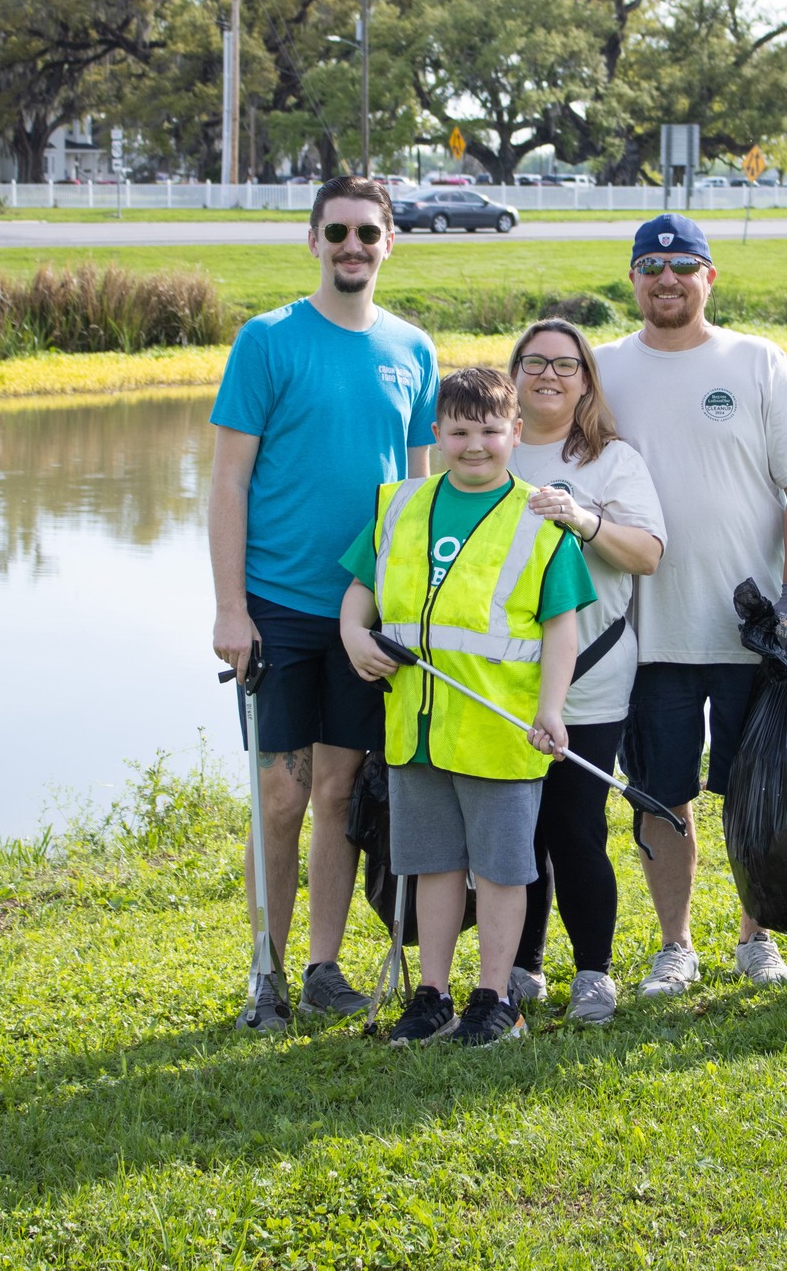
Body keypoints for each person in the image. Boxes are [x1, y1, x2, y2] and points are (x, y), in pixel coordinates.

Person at [208, 175, 439, 1031]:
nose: (353, 247)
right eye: (337, 232)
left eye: (367, 234)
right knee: (281, 796)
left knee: (340, 792)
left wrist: (409, 610)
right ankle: (263, 973)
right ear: (312, 240)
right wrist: (231, 609)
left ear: (389, 244)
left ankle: (322, 968)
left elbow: (417, 495)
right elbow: (229, 481)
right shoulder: (267, 342)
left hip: (367, 614)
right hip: (276, 609)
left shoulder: (413, 349)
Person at [593, 214, 787, 994]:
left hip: (750, 629)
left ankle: (756, 936)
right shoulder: (602, 370)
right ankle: (675, 945)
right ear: (632, 279)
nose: (667, 279)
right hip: (644, 630)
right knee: (663, 794)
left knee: (753, 792)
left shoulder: (757, 361)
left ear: (709, 277)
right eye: (651, 266)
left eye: (682, 265)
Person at [338, 366, 598, 1046]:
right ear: (438, 434)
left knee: (504, 868)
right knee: (432, 864)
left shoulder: (540, 519)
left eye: (489, 431)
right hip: (417, 728)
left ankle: (494, 998)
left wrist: (552, 708)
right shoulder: (400, 505)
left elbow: (561, 626)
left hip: (497, 731)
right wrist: (350, 634)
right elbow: (361, 589)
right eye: (458, 431)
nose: (474, 445)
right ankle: (433, 994)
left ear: (516, 433)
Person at [501, 320, 667, 1023]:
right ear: (512, 374)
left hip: (591, 678)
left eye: (565, 364)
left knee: (574, 825)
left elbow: (649, 553)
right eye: (533, 362)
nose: (548, 375)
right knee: (515, 830)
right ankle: (520, 965)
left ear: (587, 379)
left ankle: (594, 971)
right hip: (502, 683)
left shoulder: (611, 461)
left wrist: (584, 519)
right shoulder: (486, 449)